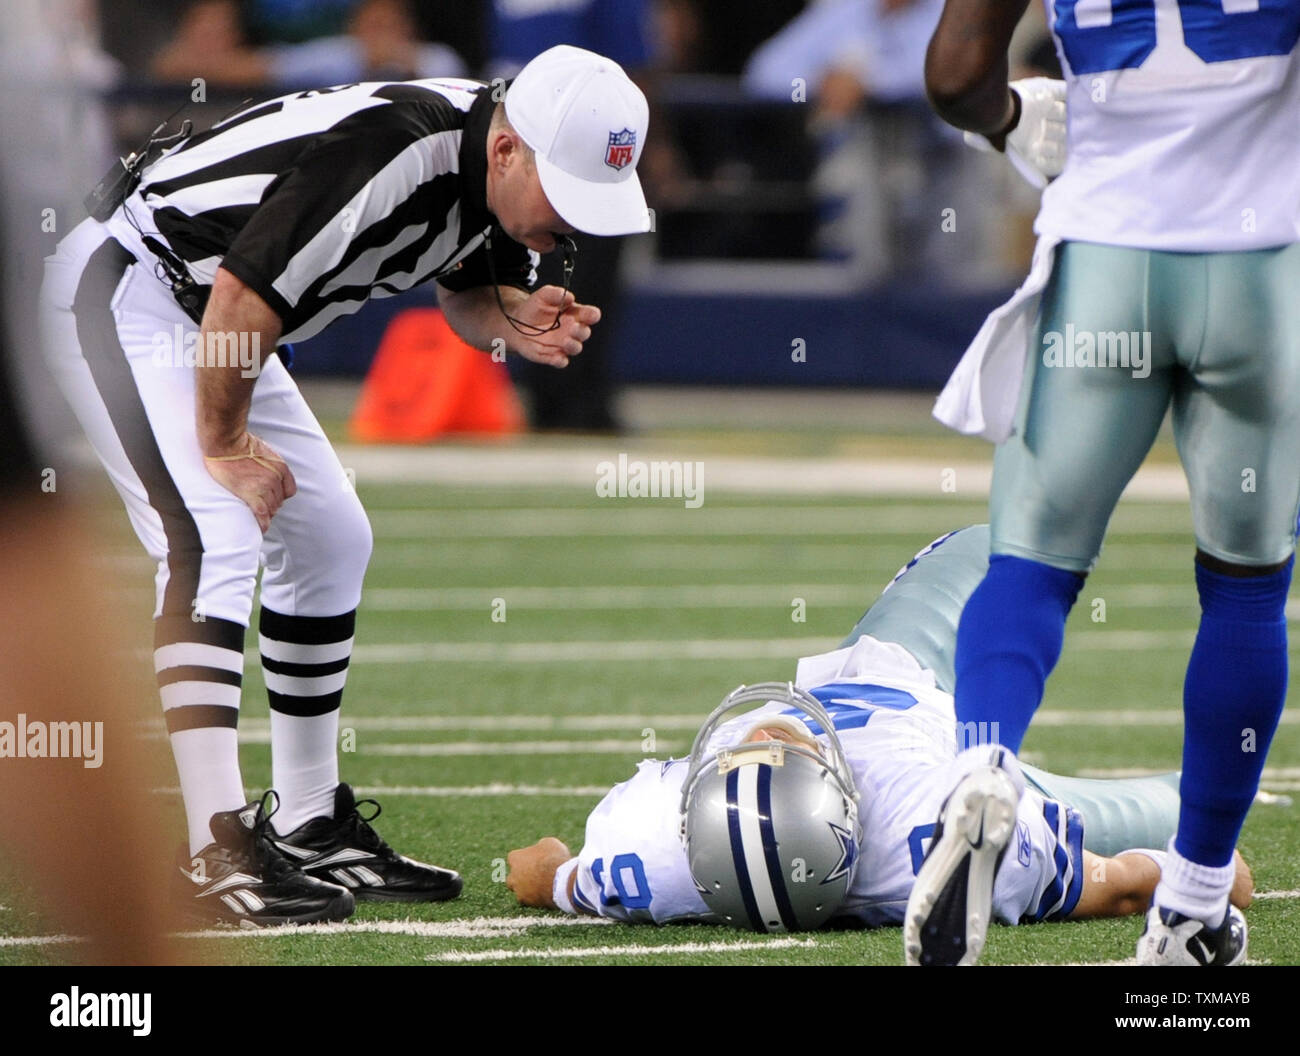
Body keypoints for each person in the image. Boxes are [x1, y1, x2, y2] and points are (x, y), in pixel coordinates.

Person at [40, 43, 651, 926]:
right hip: (134, 288)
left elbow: (453, 277)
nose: (576, 228)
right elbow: (246, 296)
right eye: (568, 192)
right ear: (509, 148)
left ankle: (310, 821)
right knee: (215, 531)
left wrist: (503, 319)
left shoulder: (488, 164)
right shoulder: (397, 151)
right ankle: (214, 843)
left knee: (331, 539)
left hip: (209, 309)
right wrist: (225, 442)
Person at [907, 0, 1300, 966]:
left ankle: (984, 765)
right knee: (1247, 591)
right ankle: (1194, 904)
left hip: (1107, 259)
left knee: (1030, 565)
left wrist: (1017, 116)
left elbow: (955, 73)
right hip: (1258, 261)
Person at [505, 527, 1251, 935]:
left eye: (745, 752)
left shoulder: (660, 857)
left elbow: (535, 871)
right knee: (1198, 811)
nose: (762, 731)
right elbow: (1136, 886)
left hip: (890, 673)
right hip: (927, 718)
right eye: (783, 743)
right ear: (841, 797)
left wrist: (555, 873)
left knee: (1013, 537)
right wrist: (1199, 874)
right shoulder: (936, 840)